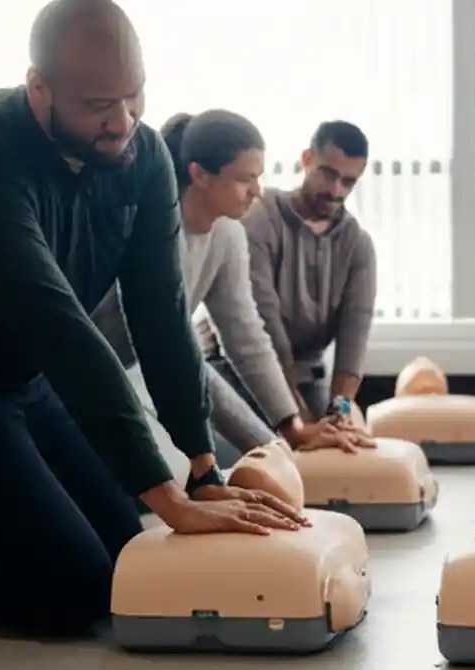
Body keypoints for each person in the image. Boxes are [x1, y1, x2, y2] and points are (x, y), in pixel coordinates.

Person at [0, 0, 304, 637]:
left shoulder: (145, 156)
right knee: (74, 593)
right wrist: (171, 501)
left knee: (121, 552)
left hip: (20, 379)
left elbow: (162, 316)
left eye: (134, 99)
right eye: (99, 105)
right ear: (38, 89)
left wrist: (200, 468)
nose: (121, 123)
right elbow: (58, 326)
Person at [91, 109, 366, 458]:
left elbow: (246, 337)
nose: (256, 191)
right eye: (244, 179)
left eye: (259, 178)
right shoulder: (153, 229)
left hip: (142, 376)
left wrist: (289, 432)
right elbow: (174, 354)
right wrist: (268, 446)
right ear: (200, 175)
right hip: (90, 380)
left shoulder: (228, 234)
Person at [206, 120, 376, 427]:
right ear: (307, 159)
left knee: (349, 443)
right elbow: (263, 329)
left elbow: (355, 337)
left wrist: (339, 413)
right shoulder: (258, 218)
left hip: (307, 377)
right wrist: (299, 424)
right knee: (277, 451)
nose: (336, 190)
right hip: (235, 369)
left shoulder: (358, 245)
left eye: (348, 182)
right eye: (328, 174)